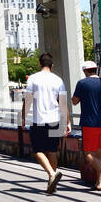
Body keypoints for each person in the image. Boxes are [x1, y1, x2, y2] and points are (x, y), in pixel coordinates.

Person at [21, 53, 71, 194]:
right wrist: (68, 122)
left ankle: (51, 174)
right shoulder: (58, 80)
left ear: (39, 64)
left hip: (39, 121)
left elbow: (28, 100)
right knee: (53, 150)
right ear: (52, 65)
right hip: (55, 120)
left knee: (38, 150)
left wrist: (23, 117)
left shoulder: (33, 78)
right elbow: (62, 103)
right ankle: (52, 179)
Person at [72, 60, 101, 192]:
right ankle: (99, 183)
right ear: (95, 69)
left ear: (85, 71)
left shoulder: (82, 83)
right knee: (99, 152)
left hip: (89, 123)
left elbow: (74, 102)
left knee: (88, 154)